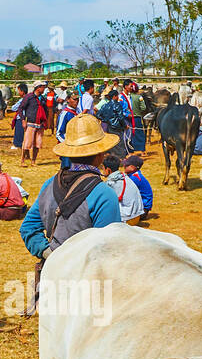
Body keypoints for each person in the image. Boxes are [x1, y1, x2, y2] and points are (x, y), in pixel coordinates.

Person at [19, 112, 123, 267]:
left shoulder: (49, 184)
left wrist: (50, 254)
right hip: (87, 278)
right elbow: (108, 249)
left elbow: (28, 228)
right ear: (100, 155)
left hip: (52, 274)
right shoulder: (104, 194)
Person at [102, 153, 144, 225]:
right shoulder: (123, 176)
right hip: (137, 215)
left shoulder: (112, 182)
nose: (102, 172)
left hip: (128, 219)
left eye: (103, 169)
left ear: (108, 170)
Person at [14, 83, 45, 165]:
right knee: (27, 142)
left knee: (37, 143)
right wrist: (23, 120)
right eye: (43, 87)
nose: (44, 89)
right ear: (38, 88)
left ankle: (33, 161)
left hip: (40, 123)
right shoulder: (29, 97)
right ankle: (23, 160)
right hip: (31, 122)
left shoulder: (42, 99)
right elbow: (20, 108)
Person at [125, 82, 146, 152]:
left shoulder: (128, 96)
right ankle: (142, 150)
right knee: (140, 133)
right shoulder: (139, 97)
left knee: (130, 134)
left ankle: (131, 149)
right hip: (137, 118)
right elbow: (143, 108)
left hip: (128, 118)